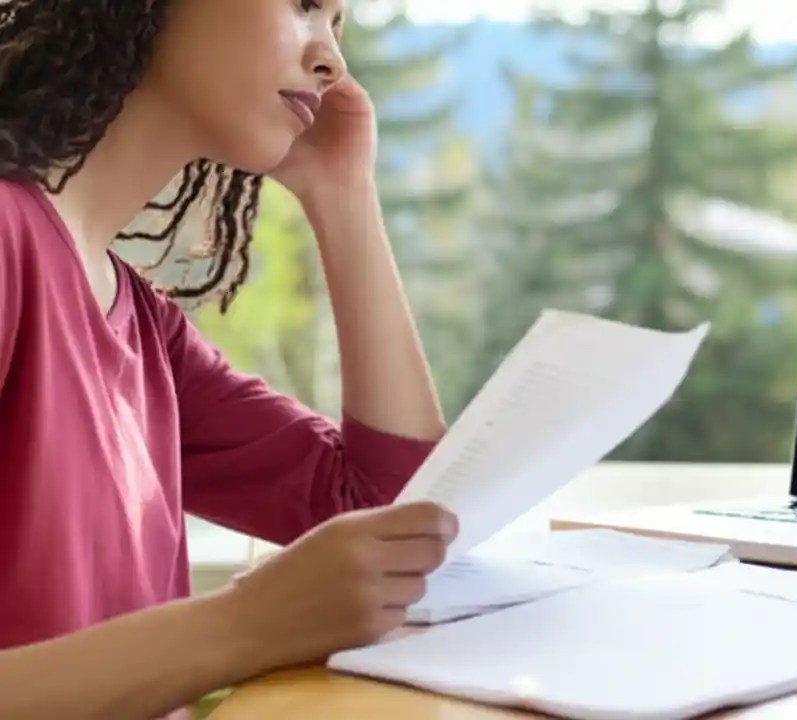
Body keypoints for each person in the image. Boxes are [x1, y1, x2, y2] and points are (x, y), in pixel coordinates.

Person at [0, 0, 461, 717]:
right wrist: (243, 626)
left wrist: (344, 193)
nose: (332, 61)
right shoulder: (8, 245)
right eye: (304, 6)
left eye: (338, 25)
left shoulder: (148, 332)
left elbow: (398, 518)